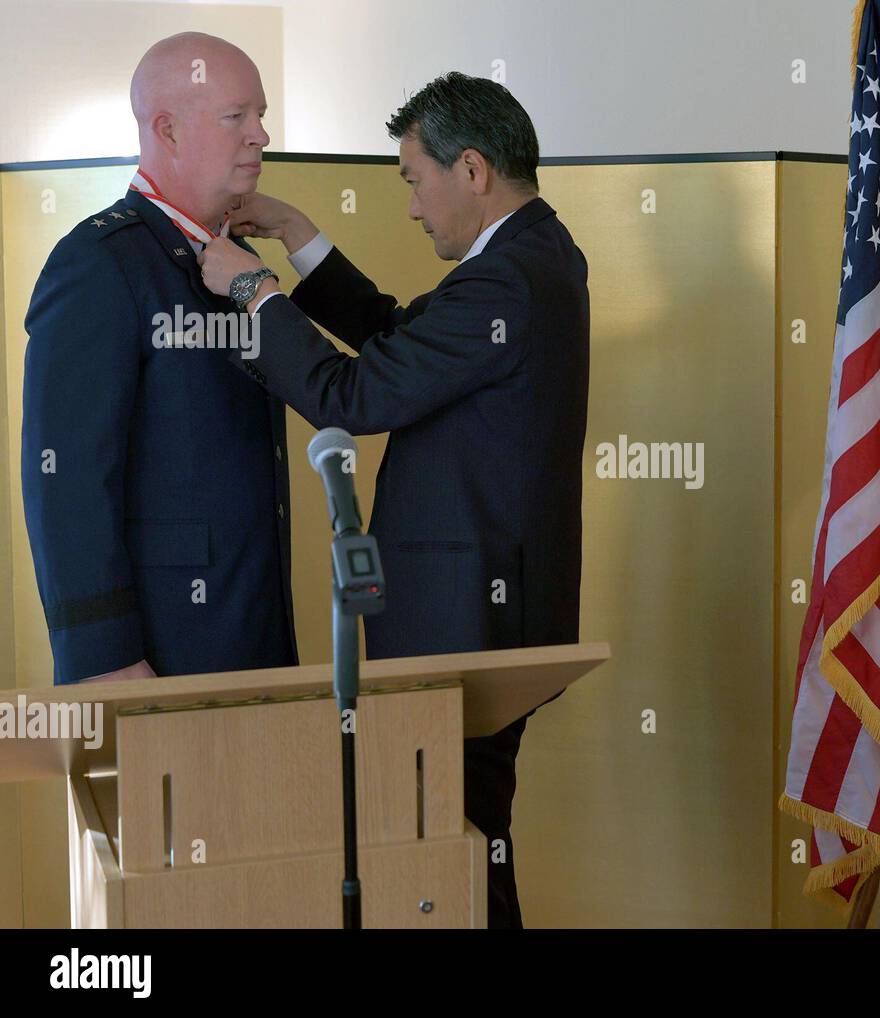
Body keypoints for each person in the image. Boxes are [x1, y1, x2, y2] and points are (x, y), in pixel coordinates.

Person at [198, 72, 590, 929]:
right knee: (467, 837)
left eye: (415, 179)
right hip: (487, 617)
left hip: (465, 627)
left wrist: (250, 292)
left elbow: (353, 397)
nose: (412, 207)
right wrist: (300, 238)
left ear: (473, 170)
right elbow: (402, 339)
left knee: (457, 843)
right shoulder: (536, 257)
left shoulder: (506, 282)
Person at [21, 32, 297, 685]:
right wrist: (101, 656)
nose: (260, 134)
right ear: (166, 129)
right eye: (238, 117)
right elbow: (65, 476)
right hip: (158, 652)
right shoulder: (98, 263)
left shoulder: (242, 263)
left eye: (261, 114)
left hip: (250, 633)